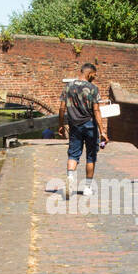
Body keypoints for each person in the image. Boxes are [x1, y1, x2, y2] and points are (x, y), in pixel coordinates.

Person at [58, 63, 107, 198]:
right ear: (89, 73)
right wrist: (102, 131)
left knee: (73, 154)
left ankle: (70, 177)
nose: (95, 78)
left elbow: (62, 108)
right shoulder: (92, 88)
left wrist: (61, 124)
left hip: (75, 126)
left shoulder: (68, 87)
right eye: (94, 75)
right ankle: (87, 188)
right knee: (91, 156)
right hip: (90, 125)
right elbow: (96, 110)